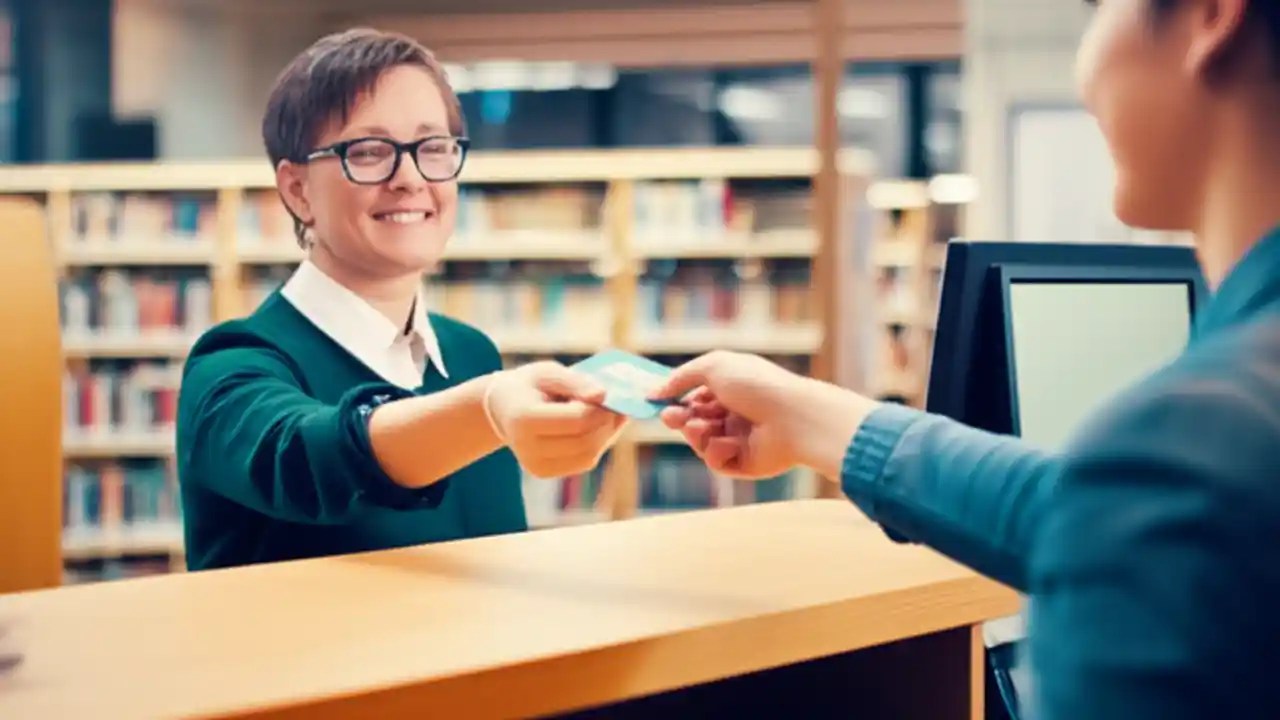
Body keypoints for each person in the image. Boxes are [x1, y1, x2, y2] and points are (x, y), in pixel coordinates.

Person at [651, 0, 1280, 717]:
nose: (1084, 69)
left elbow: (1137, 511)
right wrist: (813, 419)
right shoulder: (1204, 467)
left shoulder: (1189, 454)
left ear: (1211, 15)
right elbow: (1073, 508)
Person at [176, 28, 626, 571]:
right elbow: (308, 456)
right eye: (368, 152)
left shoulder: (470, 354)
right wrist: (484, 410)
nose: (410, 178)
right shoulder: (231, 367)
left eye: (434, 148)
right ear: (297, 191)